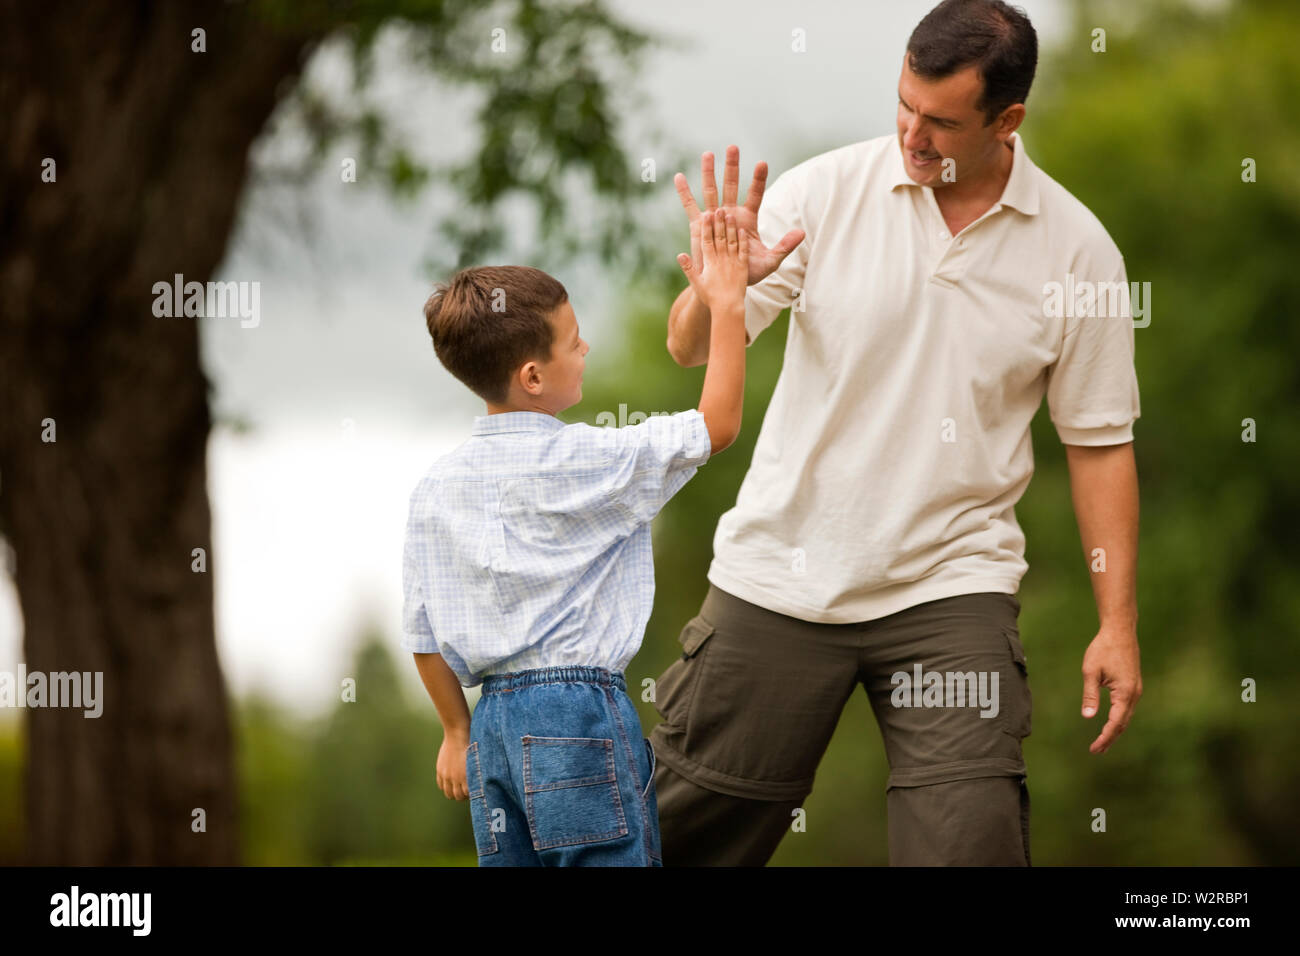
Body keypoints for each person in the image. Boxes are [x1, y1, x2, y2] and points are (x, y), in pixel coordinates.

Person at [651, 0, 1143, 865]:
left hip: (953, 585)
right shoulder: (822, 193)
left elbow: (1099, 443)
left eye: (942, 123)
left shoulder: (1080, 253)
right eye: (904, 107)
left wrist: (1118, 622)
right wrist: (716, 293)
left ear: (1008, 120)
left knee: (970, 846)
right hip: (783, 574)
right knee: (672, 844)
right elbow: (689, 349)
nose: (913, 136)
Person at [402, 207, 787, 864]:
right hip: (578, 716)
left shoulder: (435, 488)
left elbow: (423, 635)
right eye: (574, 341)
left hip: (491, 728)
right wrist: (726, 306)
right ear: (532, 376)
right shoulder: (590, 460)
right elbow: (716, 423)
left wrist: (454, 731)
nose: (586, 349)